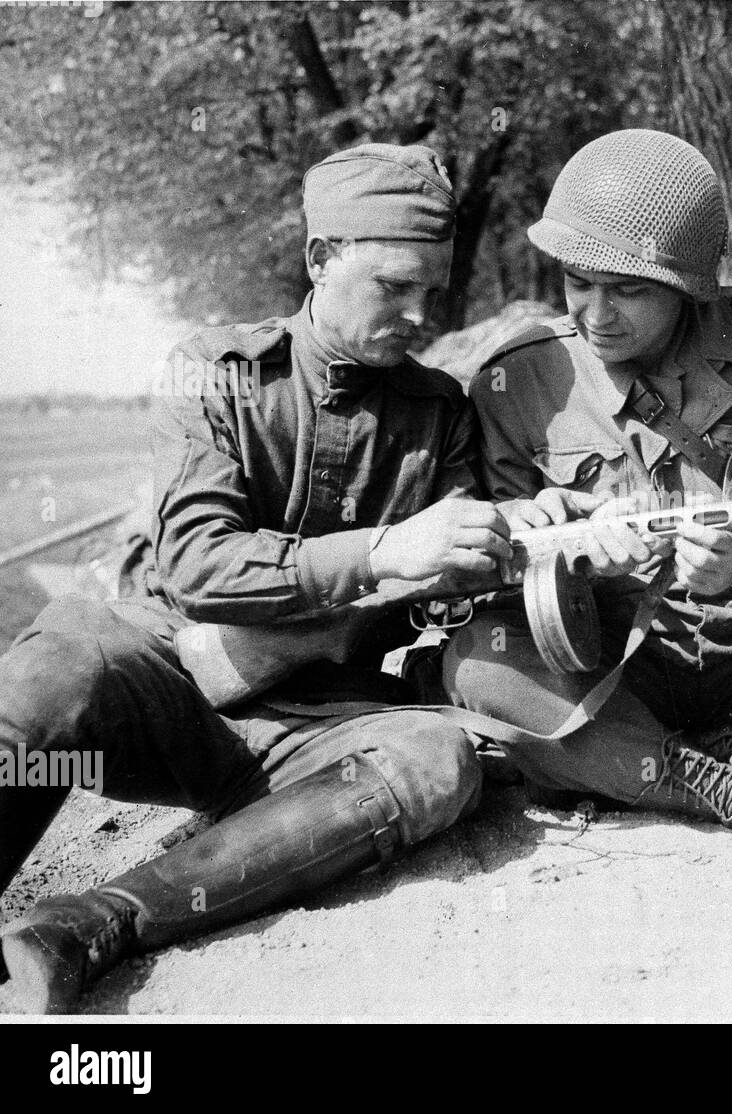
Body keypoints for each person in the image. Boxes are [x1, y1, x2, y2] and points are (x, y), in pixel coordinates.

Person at [0, 143, 517, 1012]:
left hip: (305, 729)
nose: (421, 314)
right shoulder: (217, 371)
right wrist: (384, 556)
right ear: (321, 259)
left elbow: (451, 591)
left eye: (433, 289)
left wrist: (515, 544)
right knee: (60, 667)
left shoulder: (442, 414)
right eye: (395, 287)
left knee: (434, 760)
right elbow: (200, 564)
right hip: (165, 681)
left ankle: (91, 925)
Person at [442, 129, 732, 851]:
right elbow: (493, 564)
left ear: (689, 285)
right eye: (577, 282)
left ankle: (630, 761)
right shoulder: (521, 378)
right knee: (479, 663)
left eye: (627, 289)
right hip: (615, 664)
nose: (596, 313)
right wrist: (555, 546)